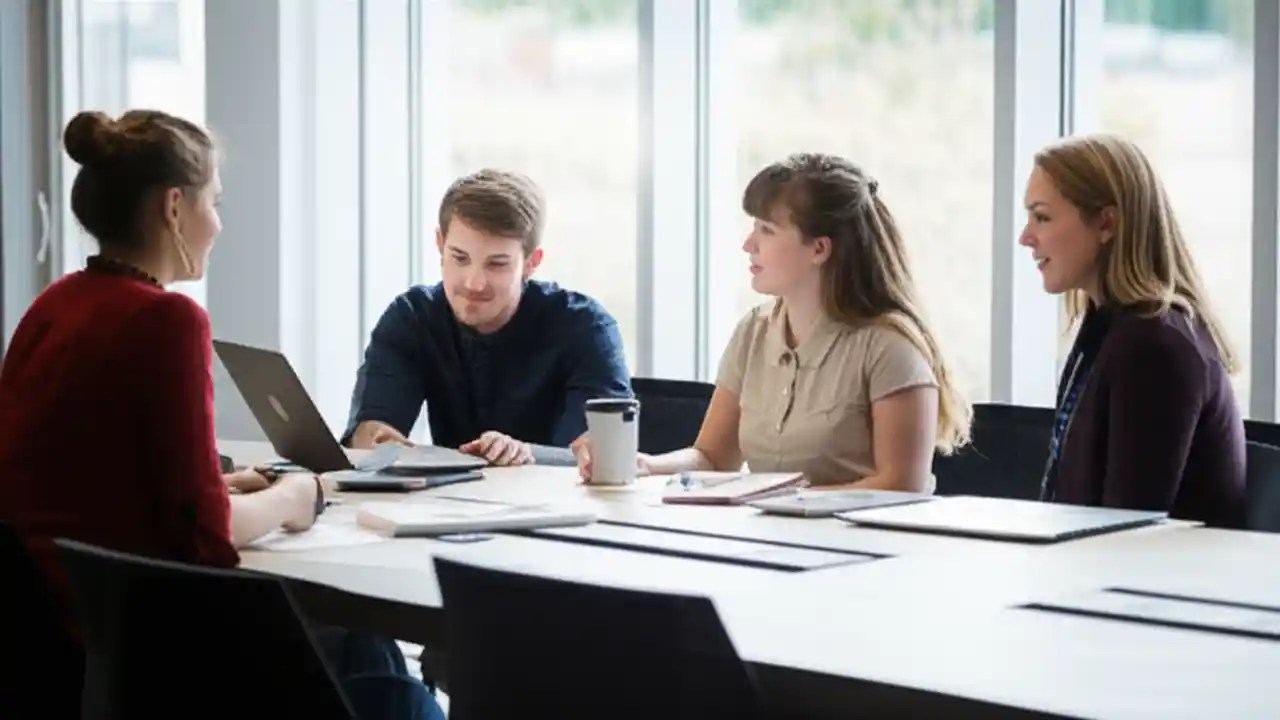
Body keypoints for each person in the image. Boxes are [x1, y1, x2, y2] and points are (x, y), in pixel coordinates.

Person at [0, 109, 442, 719]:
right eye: (215, 201)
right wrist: (297, 495)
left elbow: (89, 480)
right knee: (368, 657)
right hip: (151, 644)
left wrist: (226, 484)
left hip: (58, 629)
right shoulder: (165, 320)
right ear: (174, 207)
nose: (219, 223)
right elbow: (206, 539)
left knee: (365, 657)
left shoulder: (54, 305)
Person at [575, 152, 970, 490]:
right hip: (773, 548)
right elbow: (713, 457)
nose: (749, 244)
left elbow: (902, 485)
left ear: (819, 249)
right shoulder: (753, 331)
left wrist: (776, 499)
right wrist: (645, 465)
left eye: (767, 230)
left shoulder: (890, 347)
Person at [1021, 133, 1246, 528]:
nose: (1026, 237)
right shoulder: (1108, 328)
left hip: (1152, 583)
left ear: (1106, 223)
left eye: (1042, 217)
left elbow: (1125, 529)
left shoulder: (1154, 345)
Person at [344, 168, 632, 466]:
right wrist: (383, 443)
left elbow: (606, 451)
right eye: (459, 258)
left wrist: (525, 452)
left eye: (496, 265)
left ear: (531, 263)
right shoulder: (412, 318)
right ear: (440, 245)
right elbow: (367, 432)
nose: (473, 283)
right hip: (451, 505)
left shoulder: (586, 327)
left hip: (564, 505)